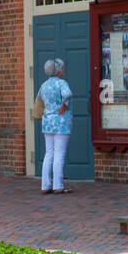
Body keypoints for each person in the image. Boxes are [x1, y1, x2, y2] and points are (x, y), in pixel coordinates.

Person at [38, 58, 74, 194]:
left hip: (47, 122)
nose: (63, 71)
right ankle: (58, 185)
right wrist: (64, 104)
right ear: (58, 71)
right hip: (61, 123)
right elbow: (68, 94)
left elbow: (40, 99)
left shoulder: (44, 85)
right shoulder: (61, 83)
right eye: (62, 69)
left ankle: (45, 185)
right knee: (59, 154)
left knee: (49, 154)